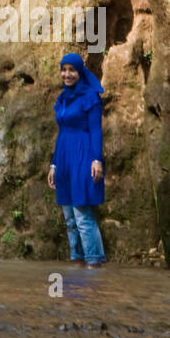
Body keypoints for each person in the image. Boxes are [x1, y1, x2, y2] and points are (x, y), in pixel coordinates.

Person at [47, 52, 106, 268]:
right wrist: (54, 164)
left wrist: (96, 160)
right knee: (70, 218)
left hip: (83, 156)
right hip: (64, 159)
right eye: (64, 70)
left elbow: (96, 131)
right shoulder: (62, 97)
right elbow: (61, 132)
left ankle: (94, 262)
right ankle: (77, 259)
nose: (67, 74)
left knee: (82, 214)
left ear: (80, 72)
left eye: (72, 70)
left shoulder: (90, 97)